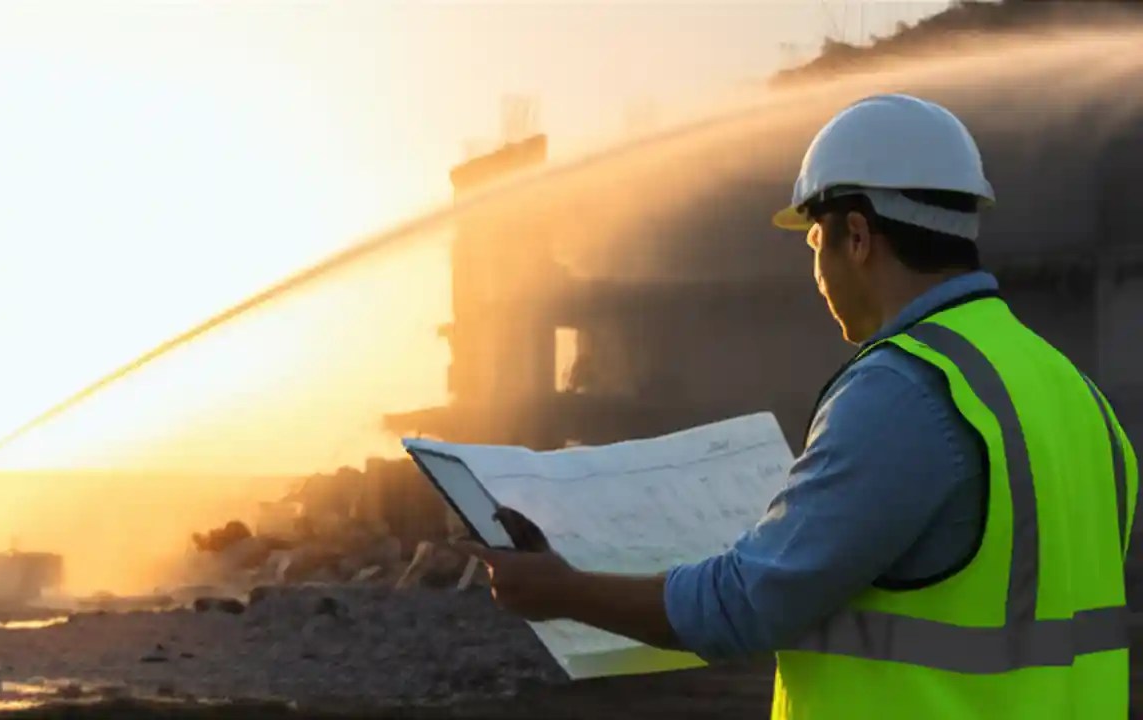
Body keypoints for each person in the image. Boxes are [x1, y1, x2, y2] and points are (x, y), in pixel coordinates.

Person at [458, 94, 1138, 718]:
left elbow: (745, 606)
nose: (815, 270)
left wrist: (560, 590)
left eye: (815, 242)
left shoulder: (905, 389)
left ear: (858, 236)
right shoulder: (1077, 399)